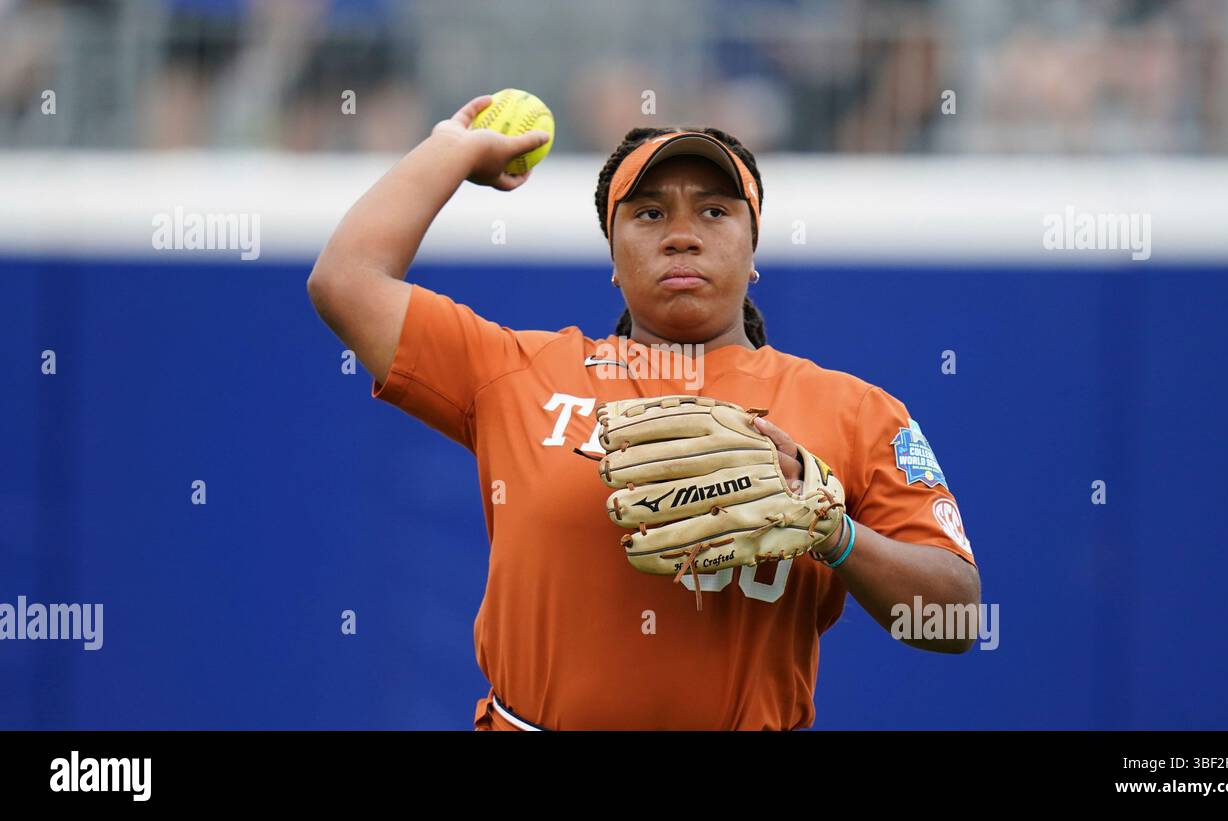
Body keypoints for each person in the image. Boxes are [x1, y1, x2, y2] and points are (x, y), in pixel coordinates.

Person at [307, 95, 981, 731]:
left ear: (754, 255)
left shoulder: (854, 410)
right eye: (650, 213)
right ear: (612, 256)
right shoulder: (516, 374)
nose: (682, 235)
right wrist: (449, 150)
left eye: (715, 211)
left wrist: (833, 529)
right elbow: (345, 280)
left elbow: (954, 619)